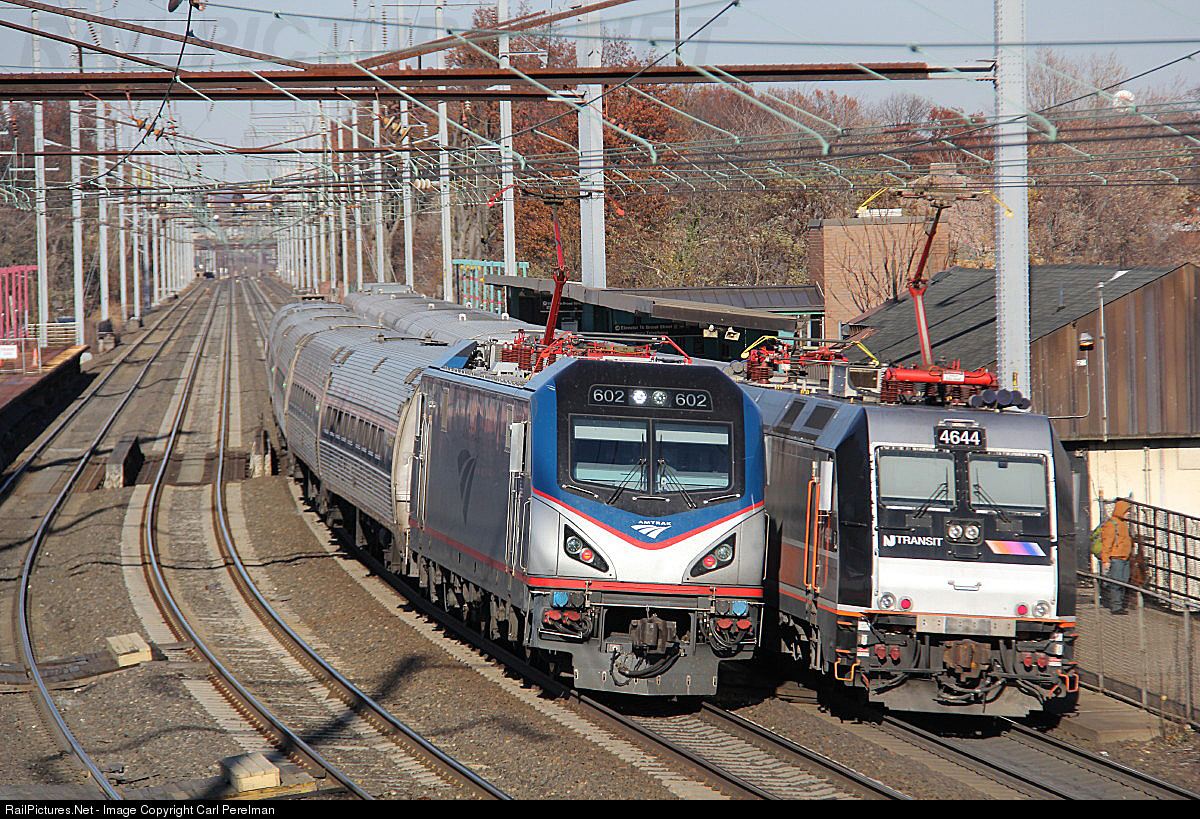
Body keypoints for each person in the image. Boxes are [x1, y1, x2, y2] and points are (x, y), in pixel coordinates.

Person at [1100, 498, 1134, 614]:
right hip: (1116, 559)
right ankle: (1116, 607)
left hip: (1125, 558)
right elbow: (1106, 544)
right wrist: (1106, 560)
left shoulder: (1123, 524)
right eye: (1126, 511)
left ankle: (1119, 605)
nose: (1128, 514)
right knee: (1116, 583)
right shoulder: (1111, 524)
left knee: (1123, 582)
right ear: (1120, 511)